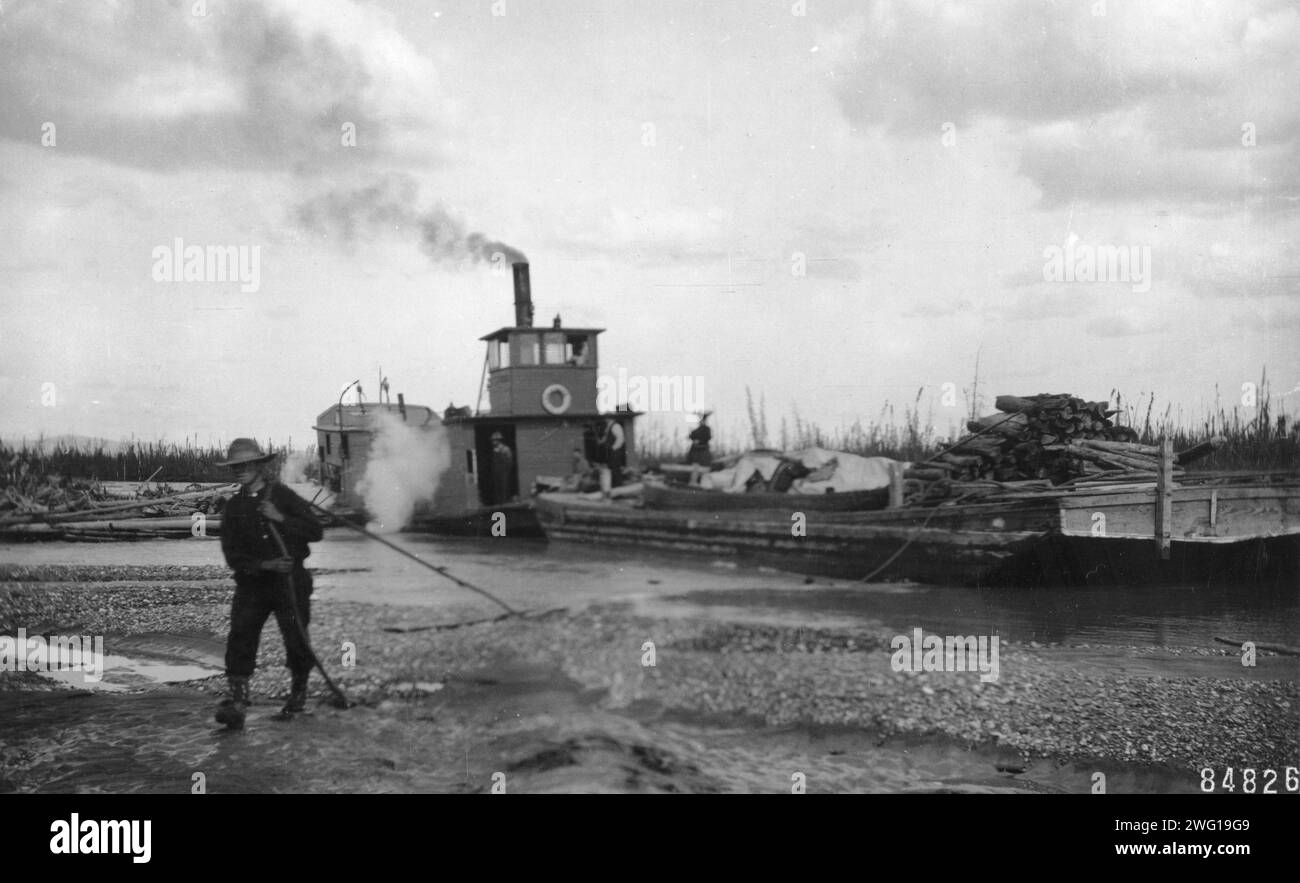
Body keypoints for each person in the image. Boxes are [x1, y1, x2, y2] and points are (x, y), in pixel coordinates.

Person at [215, 438, 323, 729]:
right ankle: (238, 702)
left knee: (297, 639)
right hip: (253, 585)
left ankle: (298, 696)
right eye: (235, 466)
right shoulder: (234, 508)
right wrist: (264, 565)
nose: (240, 471)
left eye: (246, 465)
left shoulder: (284, 497)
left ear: (260, 466)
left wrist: (281, 519)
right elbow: (233, 555)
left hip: (290, 583)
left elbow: (315, 531)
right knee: (240, 637)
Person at [598, 416, 626, 500]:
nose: (605, 419)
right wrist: (601, 442)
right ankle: (613, 493)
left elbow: (620, 438)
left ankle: (618, 494)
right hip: (610, 454)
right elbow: (606, 438)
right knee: (611, 473)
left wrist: (613, 448)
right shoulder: (608, 427)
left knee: (616, 472)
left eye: (607, 417)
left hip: (615, 454)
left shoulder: (615, 426)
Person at [490, 431, 515, 504]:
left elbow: (509, 460)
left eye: (494, 440)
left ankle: (504, 503)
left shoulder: (505, 449)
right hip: (496, 471)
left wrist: (506, 470)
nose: (493, 442)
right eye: (492, 440)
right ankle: (498, 503)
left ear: (499, 440)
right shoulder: (494, 450)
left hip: (504, 471)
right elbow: (493, 462)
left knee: (504, 487)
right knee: (497, 487)